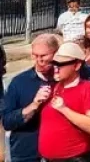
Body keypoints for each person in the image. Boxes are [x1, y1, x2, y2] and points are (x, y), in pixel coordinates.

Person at [37, 41, 90, 162]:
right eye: (54, 63)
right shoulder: (52, 88)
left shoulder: (89, 89)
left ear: (77, 65)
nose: (55, 68)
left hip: (75, 158)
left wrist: (64, 109)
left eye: (60, 64)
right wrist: (35, 103)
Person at [2, 33, 58, 162]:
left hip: (56, 152)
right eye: (35, 55)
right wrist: (34, 105)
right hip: (26, 152)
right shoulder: (19, 82)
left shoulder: (62, 79)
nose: (39, 60)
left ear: (56, 54)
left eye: (43, 56)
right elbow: (7, 122)